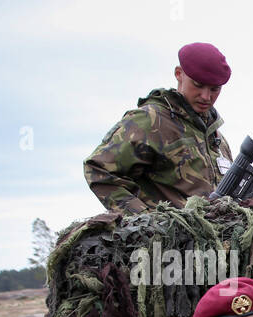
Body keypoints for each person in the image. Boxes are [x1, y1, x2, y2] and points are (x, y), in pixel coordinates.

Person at [85, 43, 234, 214]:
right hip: (162, 239)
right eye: (198, 85)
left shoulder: (217, 139)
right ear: (179, 74)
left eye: (214, 89)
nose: (206, 96)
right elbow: (98, 169)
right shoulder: (150, 121)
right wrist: (146, 221)